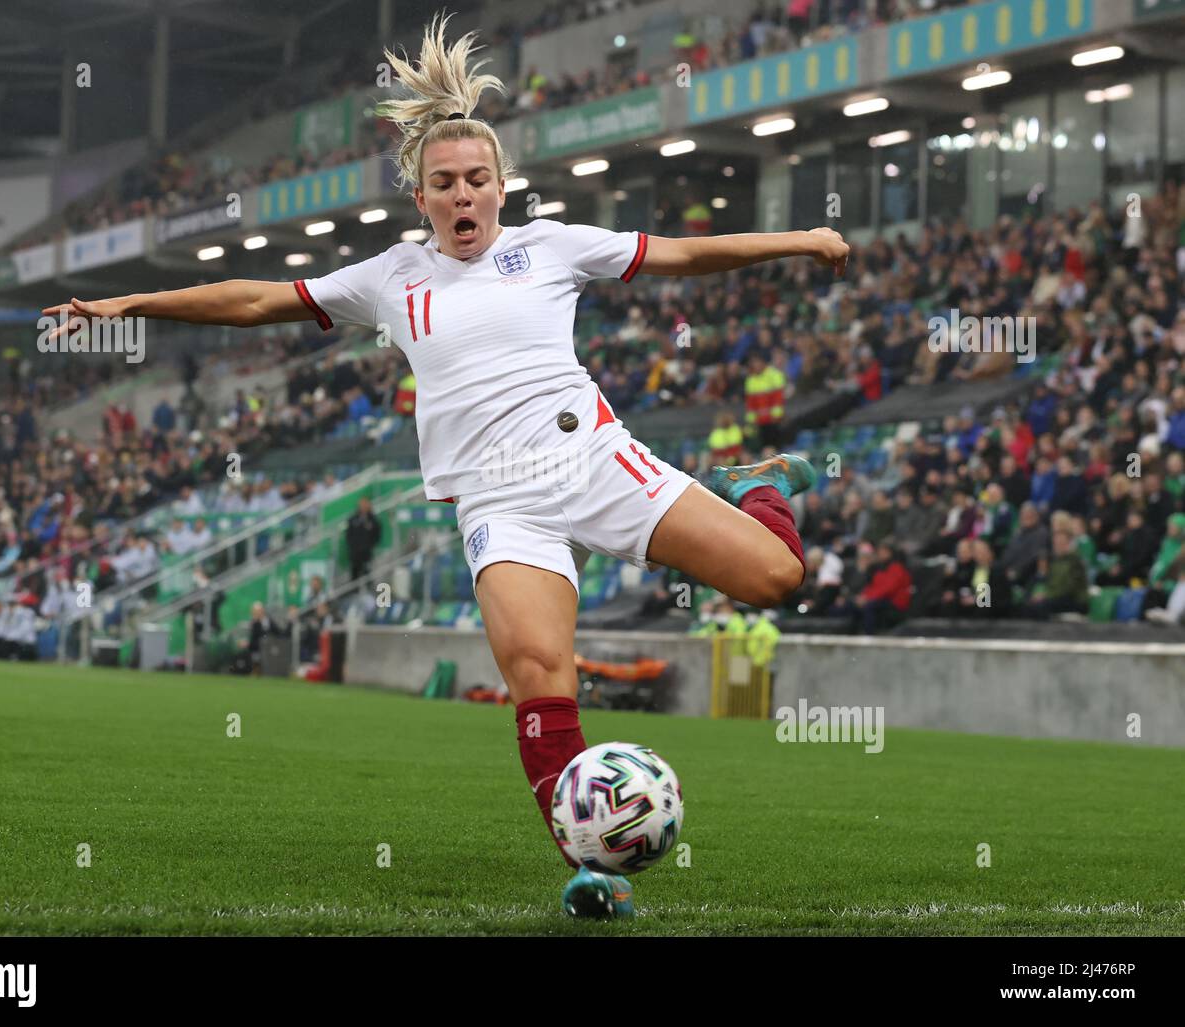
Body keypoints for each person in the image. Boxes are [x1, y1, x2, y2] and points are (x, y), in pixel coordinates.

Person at [41, 12, 848, 921]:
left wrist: (800, 240)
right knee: (541, 674)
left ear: (502, 187)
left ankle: (764, 484)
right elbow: (255, 298)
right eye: (443, 184)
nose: (462, 196)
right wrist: (132, 301)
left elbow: (687, 254)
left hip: (596, 461)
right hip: (500, 506)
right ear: (419, 198)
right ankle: (593, 867)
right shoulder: (392, 276)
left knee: (778, 578)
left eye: (476, 180)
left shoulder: (550, 248)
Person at [345, 496, 382, 582]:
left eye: (365, 505)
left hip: (367, 551)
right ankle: (354, 592)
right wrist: (352, 545)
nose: (363, 507)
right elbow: (348, 534)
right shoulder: (353, 519)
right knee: (354, 573)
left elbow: (377, 534)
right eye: (362, 505)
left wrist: (371, 545)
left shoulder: (373, 519)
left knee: (367, 573)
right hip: (355, 551)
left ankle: (368, 590)